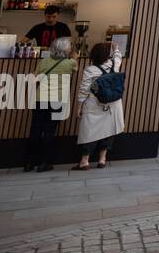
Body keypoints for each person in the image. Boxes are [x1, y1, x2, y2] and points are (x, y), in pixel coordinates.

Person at [23, 37, 76, 172]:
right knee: (49, 131)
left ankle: (29, 162)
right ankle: (44, 163)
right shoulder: (71, 63)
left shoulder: (44, 61)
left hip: (40, 99)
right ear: (66, 49)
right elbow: (75, 68)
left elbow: (35, 77)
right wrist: (74, 56)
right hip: (57, 101)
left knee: (35, 129)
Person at [73, 41, 124, 170]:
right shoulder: (114, 65)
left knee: (89, 131)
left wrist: (79, 107)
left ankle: (85, 161)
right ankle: (102, 159)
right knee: (108, 130)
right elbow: (118, 55)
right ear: (107, 55)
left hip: (94, 104)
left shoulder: (90, 70)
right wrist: (115, 47)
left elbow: (84, 89)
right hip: (112, 103)